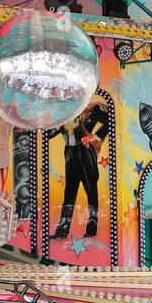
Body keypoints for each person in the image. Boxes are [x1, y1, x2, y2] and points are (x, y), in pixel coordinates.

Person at [52, 96, 110, 241]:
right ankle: (62, 231)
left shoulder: (90, 110)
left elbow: (110, 121)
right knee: (69, 193)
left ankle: (91, 229)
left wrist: (94, 137)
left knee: (91, 191)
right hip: (70, 154)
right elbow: (48, 134)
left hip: (85, 152)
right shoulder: (61, 116)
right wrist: (54, 126)